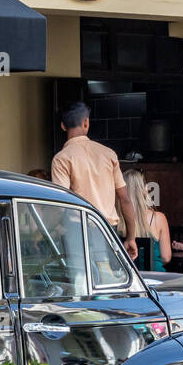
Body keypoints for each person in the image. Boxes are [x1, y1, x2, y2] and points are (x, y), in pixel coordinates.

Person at [50, 103, 137, 260]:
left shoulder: (62, 159)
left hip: (77, 230)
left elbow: (60, 204)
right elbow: (125, 199)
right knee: (107, 278)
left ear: (63, 126)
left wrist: (47, 231)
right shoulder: (108, 154)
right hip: (107, 229)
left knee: (81, 278)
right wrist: (131, 237)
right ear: (86, 123)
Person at [122, 169, 181, 270]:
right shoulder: (158, 218)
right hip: (154, 278)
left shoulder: (116, 219)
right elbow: (166, 258)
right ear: (144, 189)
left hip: (126, 279)